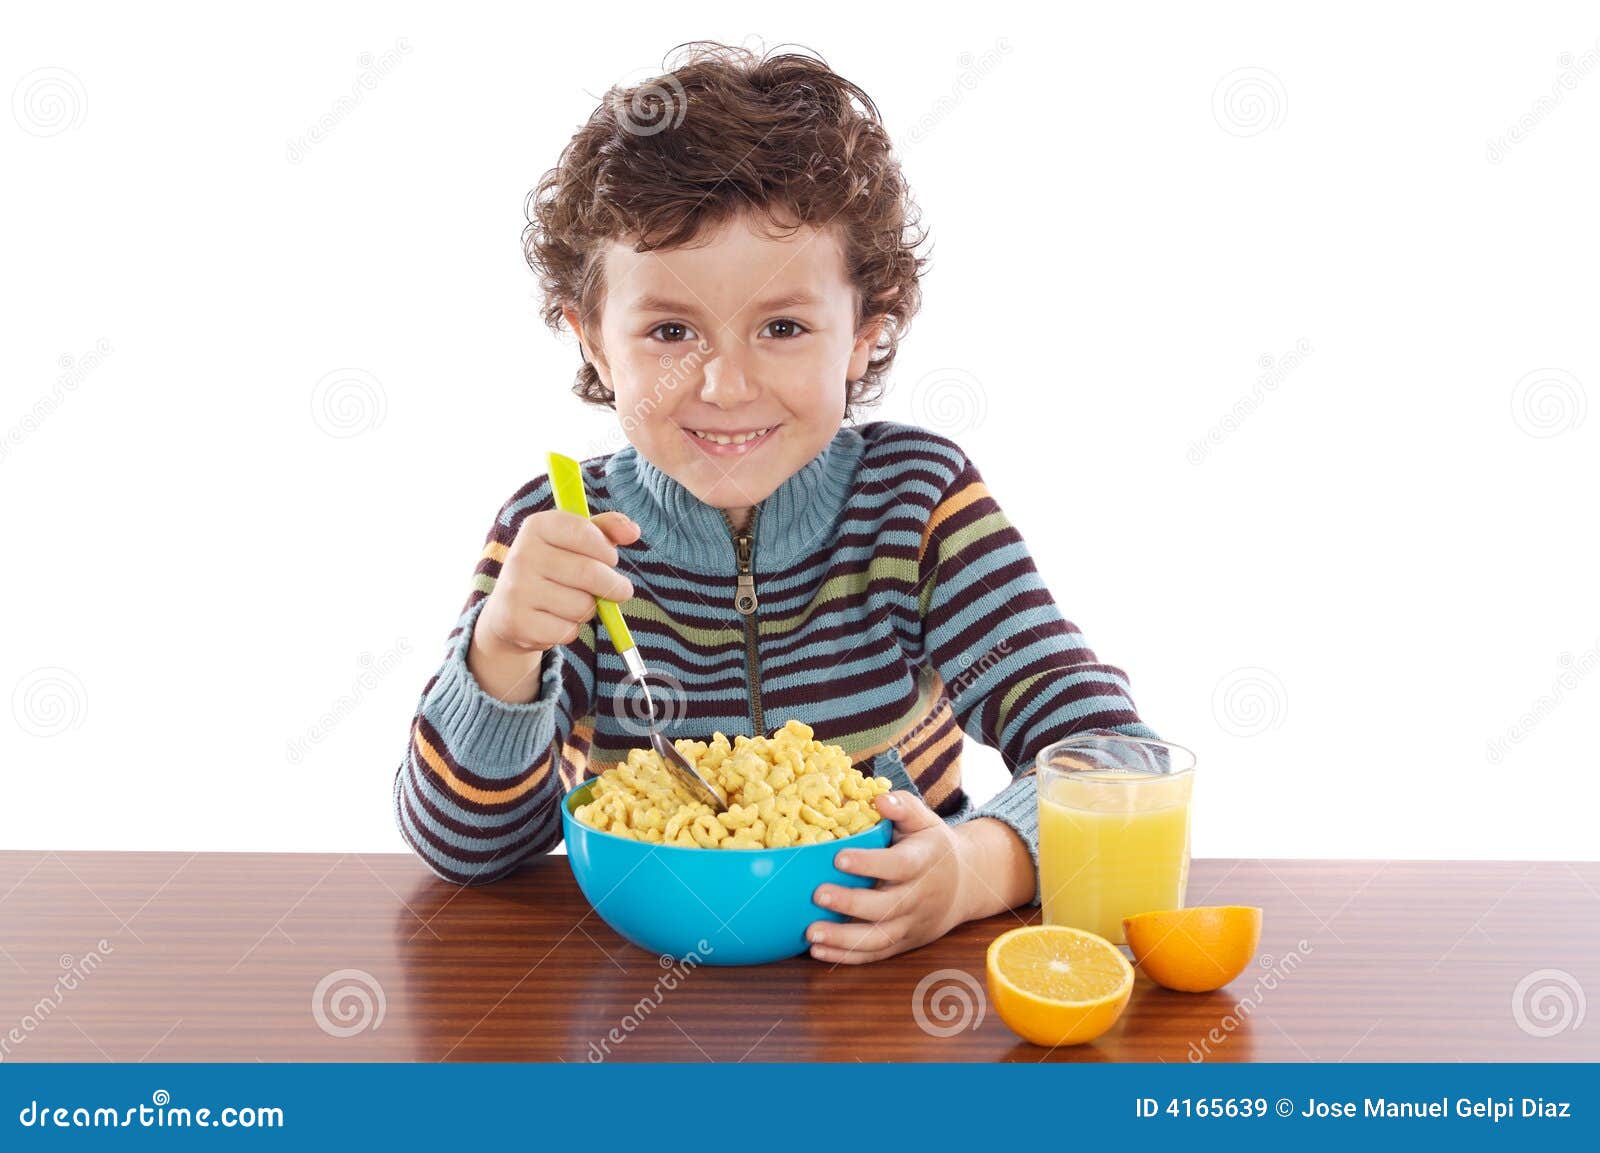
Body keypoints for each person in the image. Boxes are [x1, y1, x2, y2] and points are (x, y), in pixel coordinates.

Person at [393, 41, 1157, 964]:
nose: (723, 383)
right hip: (640, 1002)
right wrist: (503, 652)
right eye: (670, 330)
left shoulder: (915, 507)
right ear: (594, 343)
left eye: (783, 327)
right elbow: (464, 851)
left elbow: (1120, 760)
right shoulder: (557, 538)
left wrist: (973, 870)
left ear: (864, 338)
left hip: (892, 992)